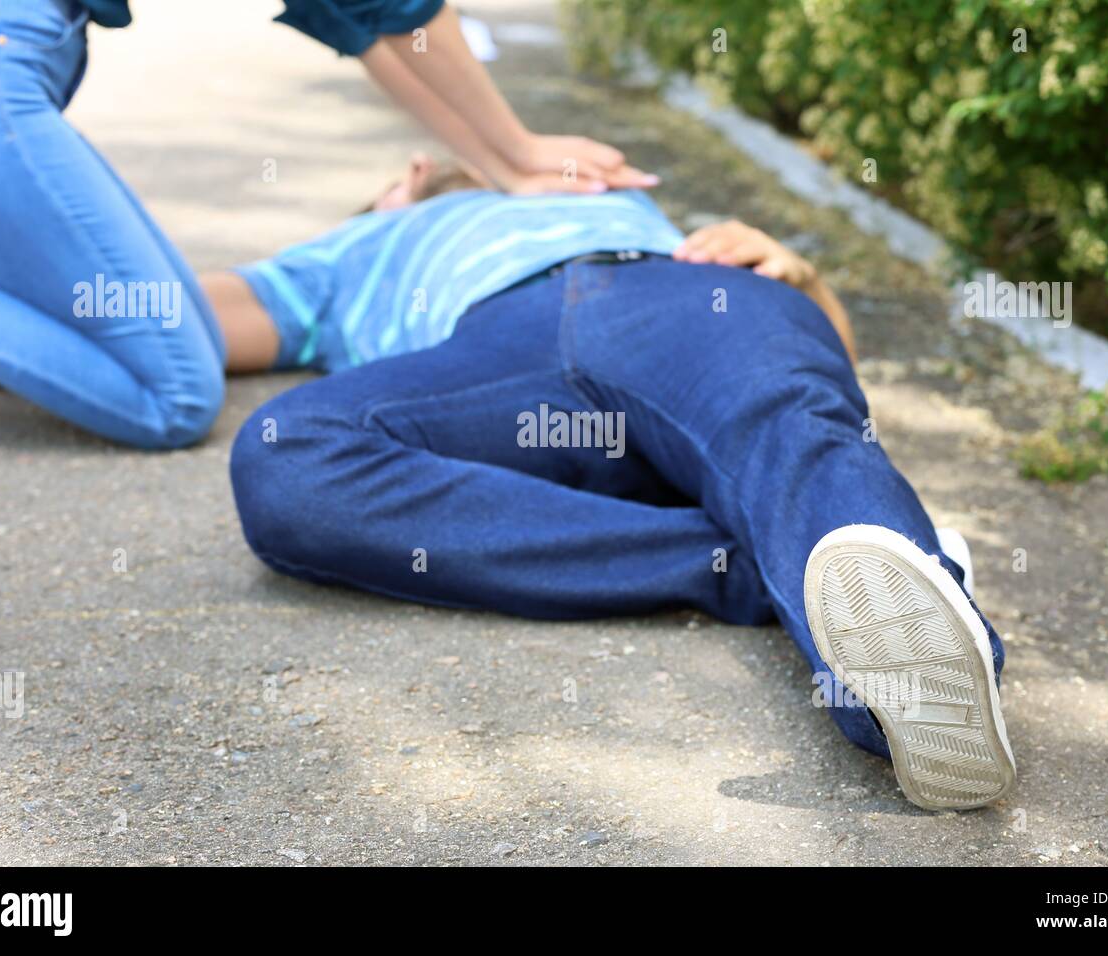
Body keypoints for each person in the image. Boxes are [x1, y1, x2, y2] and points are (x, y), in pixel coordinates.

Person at [219, 156, 1017, 810]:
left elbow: (836, 370)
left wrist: (801, 278)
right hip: (495, 357)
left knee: (793, 423)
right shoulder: (346, 253)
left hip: (674, 299)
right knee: (287, 456)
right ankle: (789, 568)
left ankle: (909, 698)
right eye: (398, 176)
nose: (421, 160)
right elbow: (175, 325)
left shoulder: (589, 180)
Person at [0, 0, 652, 447]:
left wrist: (504, 160)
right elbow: (390, 8)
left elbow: (366, 20)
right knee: (175, 396)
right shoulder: (347, 268)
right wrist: (513, 155)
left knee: (183, 348)